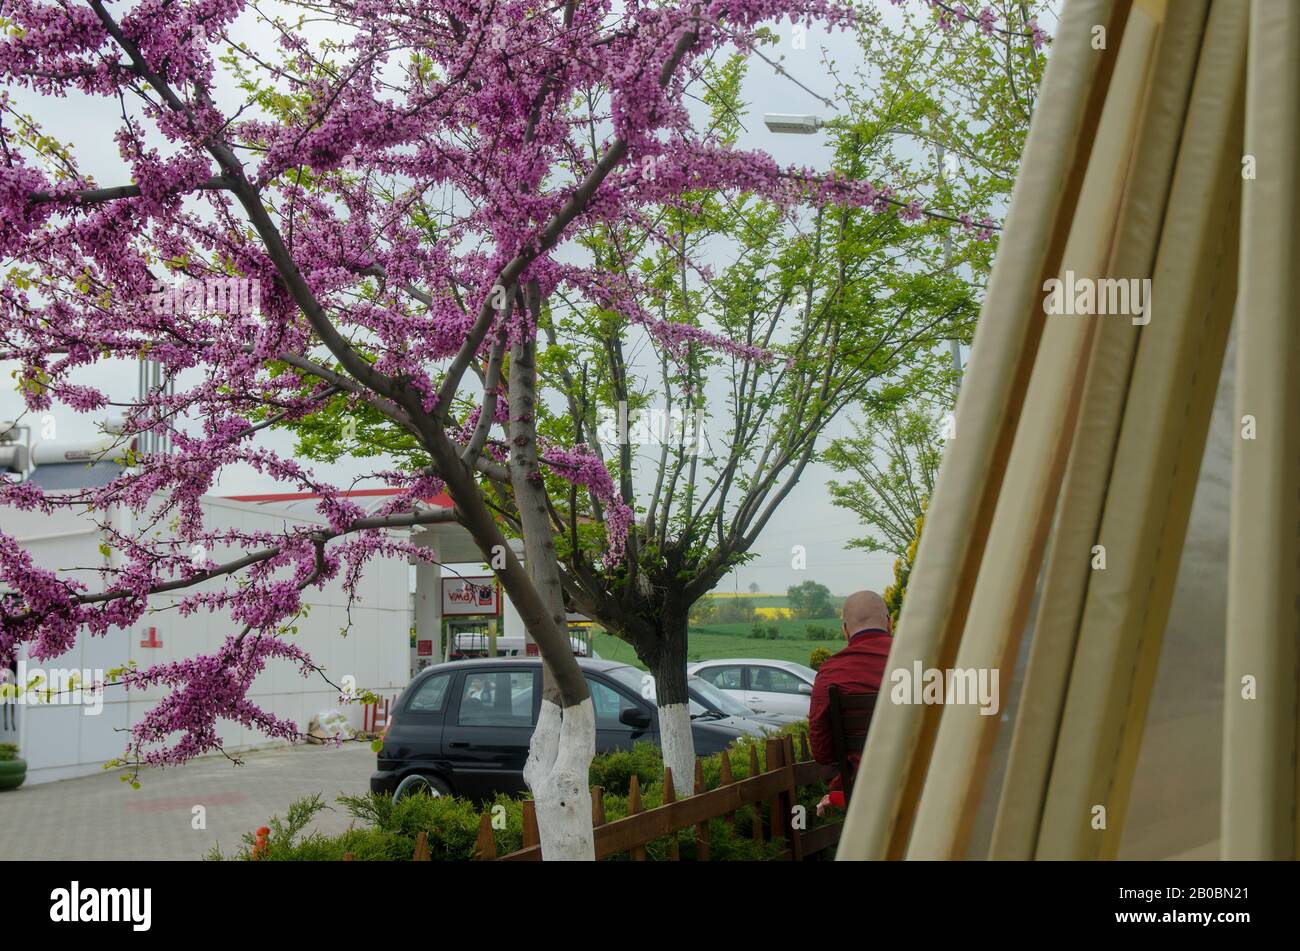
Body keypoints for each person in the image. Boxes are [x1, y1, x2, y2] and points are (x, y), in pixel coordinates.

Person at [808, 590, 893, 812]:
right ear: (890, 623)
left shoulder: (829, 674)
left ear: (845, 631)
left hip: (864, 798)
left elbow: (822, 753)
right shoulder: (924, 661)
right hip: (929, 789)